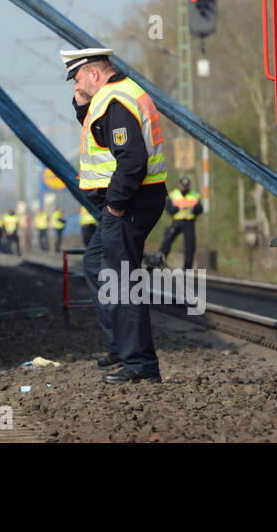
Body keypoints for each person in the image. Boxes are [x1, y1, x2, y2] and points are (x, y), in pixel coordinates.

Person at [63, 47, 168, 384]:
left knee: (120, 280)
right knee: (96, 266)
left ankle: (140, 365)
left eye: (78, 79)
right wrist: (81, 104)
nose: (76, 86)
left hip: (129, 203)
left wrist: (116, 205)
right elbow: (101, 136)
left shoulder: (115, 101)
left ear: (94, 74)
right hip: (132, 201)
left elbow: (132, 158)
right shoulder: (114, 96)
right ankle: (122, 348)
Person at [158, 176, 203, 269]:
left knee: (190, 246)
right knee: (166, 242)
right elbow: (168, 208)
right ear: (180, 185)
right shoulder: (173, 194)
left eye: (186, 186)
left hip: (189, 223)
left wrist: (194, 209)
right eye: (183, 186)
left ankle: (187, 268)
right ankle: (158, 262)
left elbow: (200, 209)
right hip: (177, 222)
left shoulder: (194, 195)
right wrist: (178, 208)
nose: (184, 188)